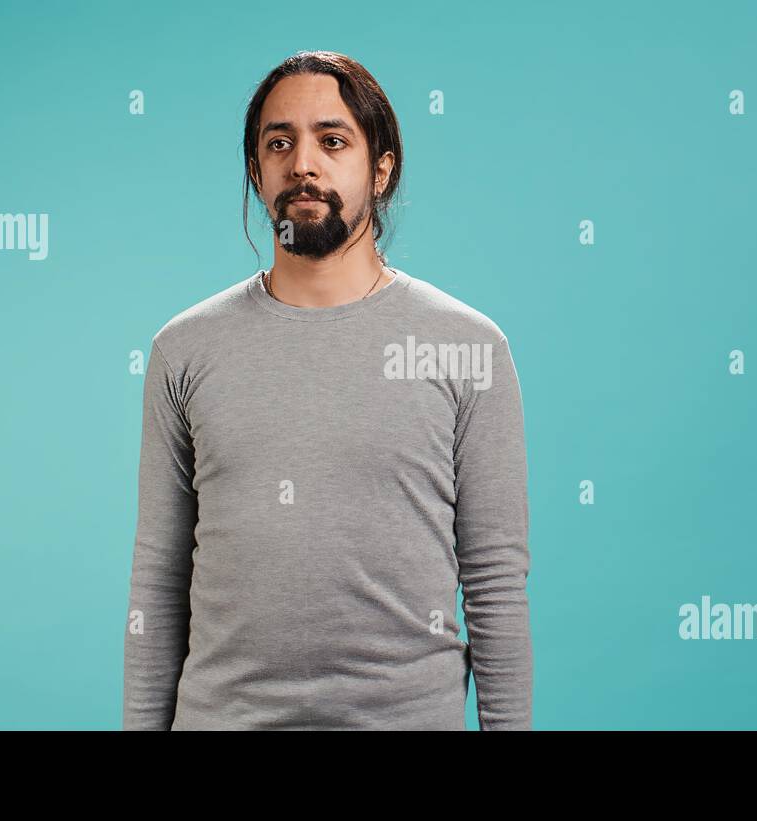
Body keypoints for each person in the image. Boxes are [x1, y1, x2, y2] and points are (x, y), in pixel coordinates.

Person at [123, 50, 532, 730]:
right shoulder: (183, 350)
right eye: (278, 142)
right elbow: (159, 582)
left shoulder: (469, 348)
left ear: (381, 167)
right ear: (256, 171)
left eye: (332, 139)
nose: (303, 163)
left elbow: (495, 588)